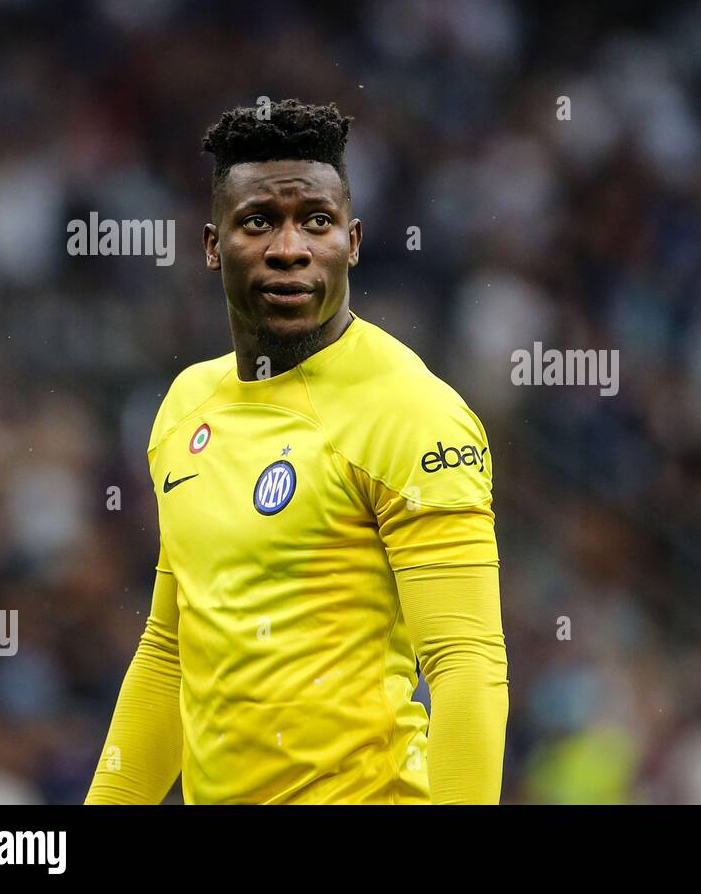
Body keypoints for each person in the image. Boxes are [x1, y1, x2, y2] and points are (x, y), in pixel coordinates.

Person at [85, 99, 508, 804]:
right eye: (259, 222)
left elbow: (466, 662)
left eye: (316, 221)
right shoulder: (187, 406)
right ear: (213, 244)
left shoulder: (412, 413)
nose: (290, 248)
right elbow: (169, 651)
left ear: (354, 240)